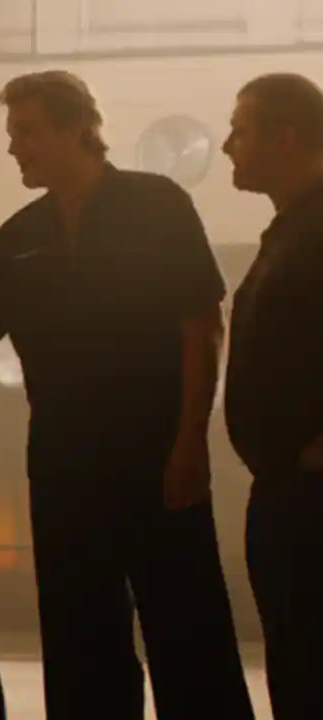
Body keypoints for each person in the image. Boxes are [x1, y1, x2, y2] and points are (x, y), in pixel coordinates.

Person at [0, 70, 254, 719]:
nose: (14, 149)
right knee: (80, 637)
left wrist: (189, 445)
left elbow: (202, 327)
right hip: (64, 466)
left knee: (189, 632)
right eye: (12, 134)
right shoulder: (19, 238)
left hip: (157, 456)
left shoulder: (158, 205)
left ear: (76, 127)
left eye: (26, 132)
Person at [221, 72, 323, 720]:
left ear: (285, 138)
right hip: (288, 494)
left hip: (312, 498)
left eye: (241, 130)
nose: (228, 146)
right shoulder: (291, 231)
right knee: (296, 666)